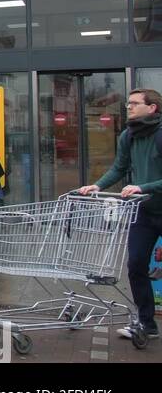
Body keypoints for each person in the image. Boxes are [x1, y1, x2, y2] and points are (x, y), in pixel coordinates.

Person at [79, 88, 162, 342]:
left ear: (152, 108)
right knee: (136, 264)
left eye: (135, 103)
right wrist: (98, 186)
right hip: (144, 211)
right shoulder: (128, 135)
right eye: (128, 103)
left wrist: (142, 187)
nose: (129, 107)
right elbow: (119, 167)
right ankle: (147, 324)